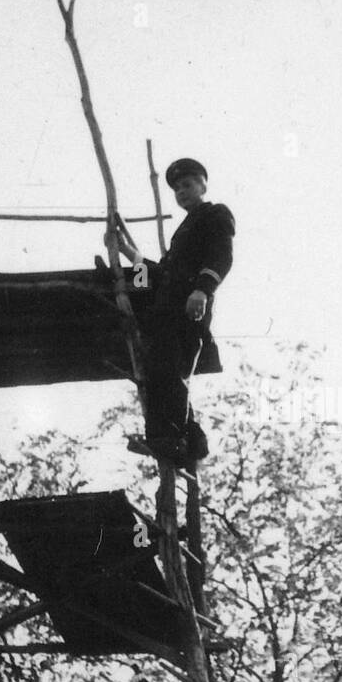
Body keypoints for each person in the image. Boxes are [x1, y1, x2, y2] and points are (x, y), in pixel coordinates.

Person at [116, 157, 234, 466]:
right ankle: (190, 439)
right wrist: (128, 254)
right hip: (166, 311)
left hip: (189, 307)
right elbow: (155, 276)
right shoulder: (181, 233)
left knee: (171, 371)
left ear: (203, 185)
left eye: (188, 184)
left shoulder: (214, 214)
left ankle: (169, 441)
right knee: (164, 372)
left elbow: (222, 255)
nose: (181, 191)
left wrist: (202, 290)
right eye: (177, 188)